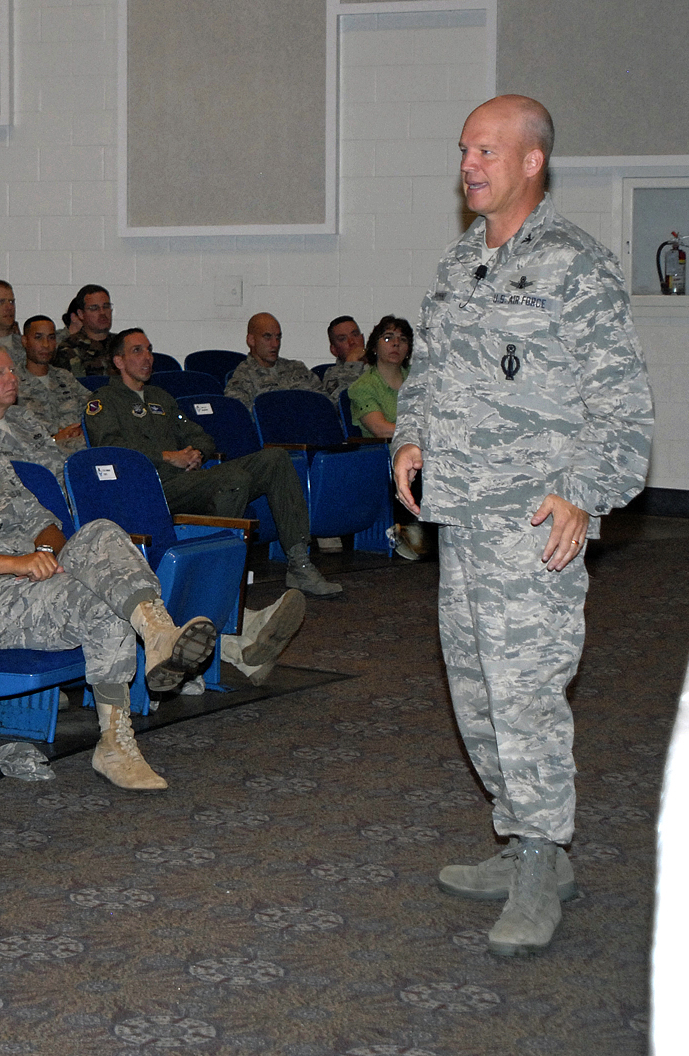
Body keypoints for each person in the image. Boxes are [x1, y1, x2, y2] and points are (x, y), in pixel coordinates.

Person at [392, 95, 653, 957]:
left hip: (533, 525)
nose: (468, 165)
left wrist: (584, 490)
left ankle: (544, 857)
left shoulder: (576, 266)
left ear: (530, 162)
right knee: (473, 695)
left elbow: (621, 407)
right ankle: (520, 838)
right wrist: (409, 438)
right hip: (461, 521)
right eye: (464, 150)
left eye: (486, 152)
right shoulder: (460, 261)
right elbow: (426, 372)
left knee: (525, 696)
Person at [0, 375, 220, 791]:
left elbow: (47, 525)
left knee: (100, 530)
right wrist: (16, 562)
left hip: (36, 582)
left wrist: (51, 556)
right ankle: (117, 737)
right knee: (100, 602)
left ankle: (156, 637)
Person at [85, 327, 342, 600]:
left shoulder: (160, 398)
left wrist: (196, 453)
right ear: (119, 361)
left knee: (275, 458)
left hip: (187, 480)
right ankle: (220, 577)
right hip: (151, 489)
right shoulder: (103, 401)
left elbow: (201, 436)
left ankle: (299, 563)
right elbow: (109, 449)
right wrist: (168, 456)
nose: (147, 357)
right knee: (233, 480)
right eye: (137, 351)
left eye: (149, 349)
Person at [346, 315, 427, 561]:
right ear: (374, 346)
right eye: (388, 338)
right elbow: (380, 428)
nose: (396, 344)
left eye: (403, 340)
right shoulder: (363, 386)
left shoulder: (419, 380)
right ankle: (413, 536)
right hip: (380, 454)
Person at [0, 345, 66, 484]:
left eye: (12, 370)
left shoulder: (23, 417)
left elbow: (58, 464)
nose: (12, 378)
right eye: (0, 373)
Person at [16, 314, 91, 451]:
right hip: (40, 453)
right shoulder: (11, 382)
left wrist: (80, 428)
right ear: (25, 341)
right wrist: (56, 437)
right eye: (38, 338)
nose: (46, 345)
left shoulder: (64, 377)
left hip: (78, 448)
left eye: (51, 338)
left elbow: (93, 406)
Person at [223, 312, 322, 408]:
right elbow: (243, 416)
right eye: (267, 337)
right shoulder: (243, 377)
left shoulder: (297, 368)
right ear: (251, 340)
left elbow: (326, 404)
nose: (275, 344)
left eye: (278, 337)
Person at [54, 284, 114, 376]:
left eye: (106, 306)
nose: (102, 313)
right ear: (81, 314)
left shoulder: (122, 344)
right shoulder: (69, 349)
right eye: (94, 308)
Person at [320, 315, 368, 397]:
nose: (352, 342)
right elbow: (339, 402)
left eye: (355, 335)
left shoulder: (382, 365)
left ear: (362, 338)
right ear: (334, 350)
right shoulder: (332, 375)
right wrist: (352, 364)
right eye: (343, 339)